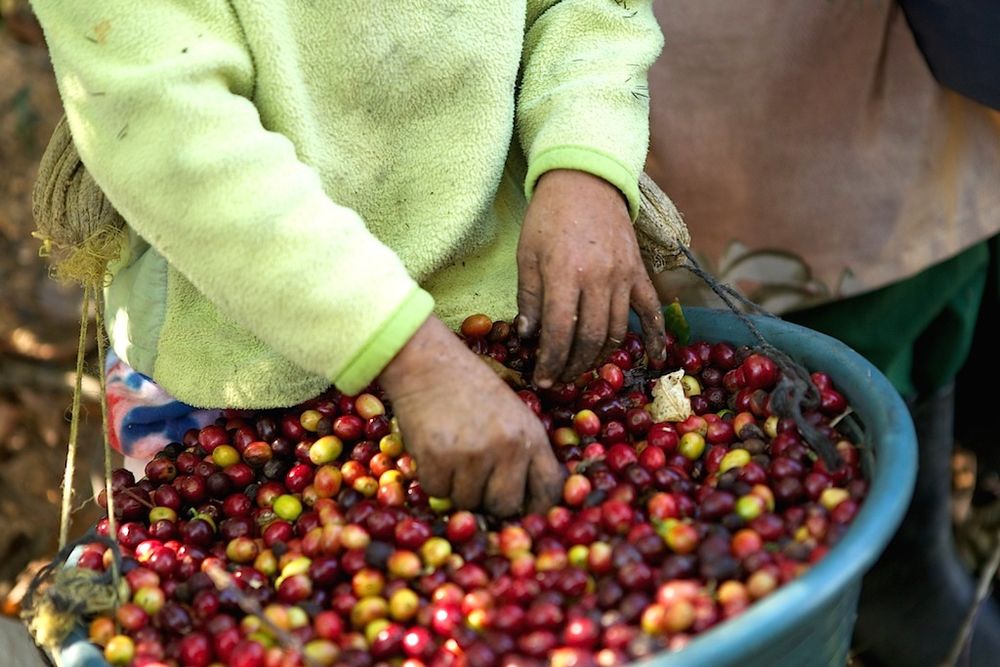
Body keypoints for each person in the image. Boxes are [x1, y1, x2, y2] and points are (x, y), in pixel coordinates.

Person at [29, 0, 669, 518]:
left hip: (506, 314)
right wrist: (416, 363)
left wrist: (582, 169)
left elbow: (585, 8)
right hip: (233, 358)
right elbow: (175, 139)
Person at [642, 2, 1000, 666]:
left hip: (874, 96)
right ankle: (902, 574)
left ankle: (909, 568)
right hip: (742, 105)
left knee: (901, 323)